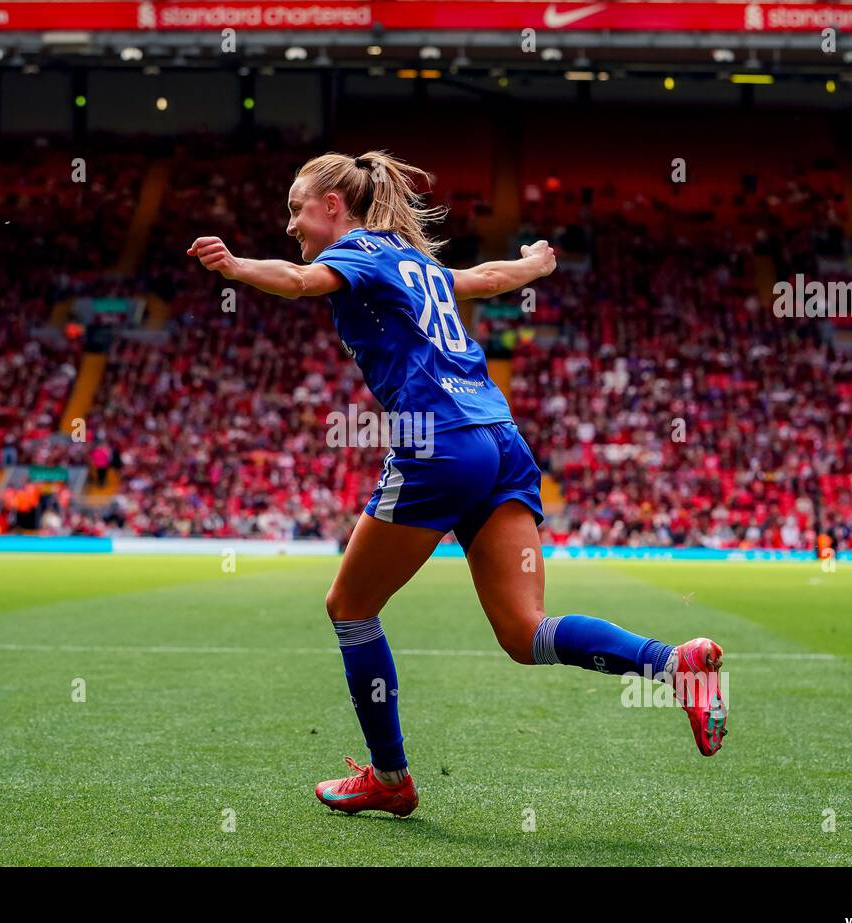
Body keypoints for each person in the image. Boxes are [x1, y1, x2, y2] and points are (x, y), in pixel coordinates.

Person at [187, 151, 727, 819]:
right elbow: (486, 278)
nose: (291, 223)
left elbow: (298, 282)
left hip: (438, 442)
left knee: (350, 607)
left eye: (297, 209)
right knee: (525, 632)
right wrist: (534, 267)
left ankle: (390, 777)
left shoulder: (356, 253)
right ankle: (674, 664)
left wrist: (237, 268)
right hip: (500, 442)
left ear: (333, 206)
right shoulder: (412, 262)